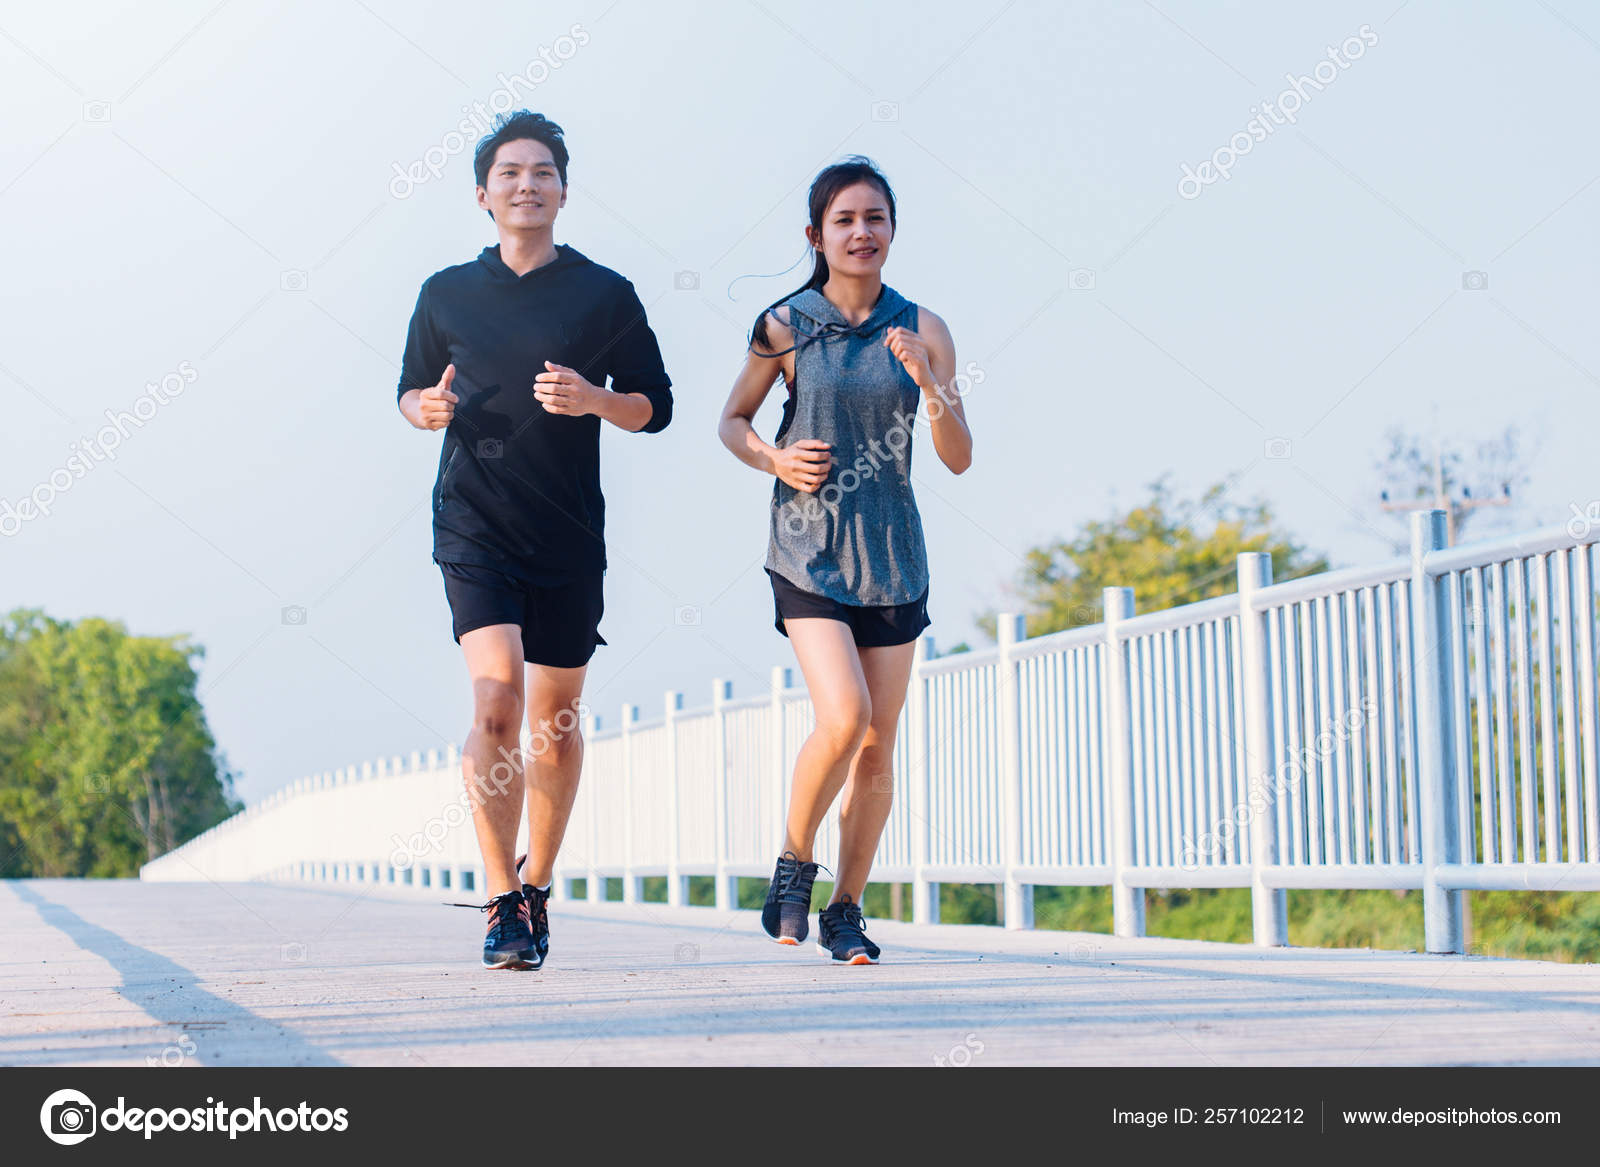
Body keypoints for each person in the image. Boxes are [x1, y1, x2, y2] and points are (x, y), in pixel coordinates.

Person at [397, 111, 673, 969]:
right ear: (483, 195)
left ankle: (538, 881)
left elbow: (655, 405)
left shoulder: (605, 294)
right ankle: (496, 895)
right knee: (496, 700)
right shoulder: (445, 293)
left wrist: (595, 397)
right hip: (474, 524)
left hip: (566, 534)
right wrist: (426, 410)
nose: (527, 183)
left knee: (554, 722)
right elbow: (409, 390)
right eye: (510, 172)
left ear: (563, 189)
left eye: (543, 171)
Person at [716, 157, 972, 964]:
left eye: (876, 219)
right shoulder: (785, 324)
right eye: (845, 221)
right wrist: (773, 459)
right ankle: (794, 863)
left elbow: (959, 455)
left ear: (893, 230)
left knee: (877, 745)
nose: (862, 233)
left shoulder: (925, 328)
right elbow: (732, 419)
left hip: (893, 552)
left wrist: (929, 380)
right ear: (816, 236)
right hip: (808, 548)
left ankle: (846, 909)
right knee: (846, 715)